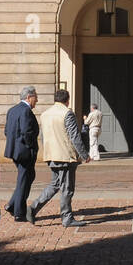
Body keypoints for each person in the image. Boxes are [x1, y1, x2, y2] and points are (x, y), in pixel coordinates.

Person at [28, 89, 90, 227]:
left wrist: (47, 152)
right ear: (67, 100)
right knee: (67, 188)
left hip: (52, 155)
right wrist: (84, 155)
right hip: (65, 156)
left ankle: (32, 208)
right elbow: (74, 136)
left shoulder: (45, 114)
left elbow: (43, 137)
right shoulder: (67, 113)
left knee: (55, 185)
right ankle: (67, 218)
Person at [3, 86, 40, 222]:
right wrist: (31, 148)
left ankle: (12, 205)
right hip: (24, 152)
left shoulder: (12, 110)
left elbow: (7, 131)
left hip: (15, 151)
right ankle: (18, 212)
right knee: (24, 180)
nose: (37, 100)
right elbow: (27, 132)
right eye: (35, 97)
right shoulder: (26, 111)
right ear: (29, 97)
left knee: (26, 177)